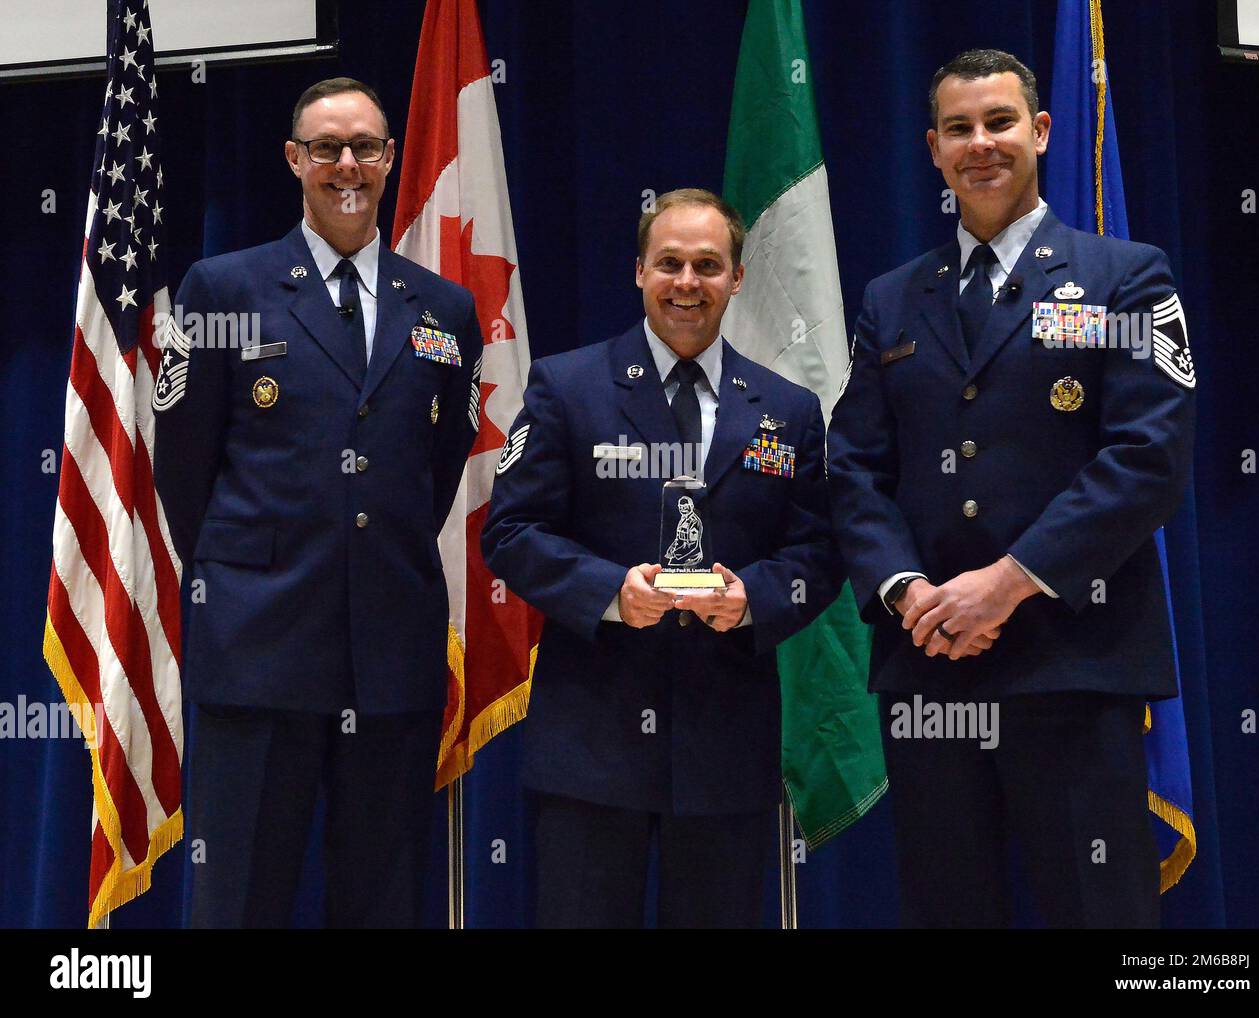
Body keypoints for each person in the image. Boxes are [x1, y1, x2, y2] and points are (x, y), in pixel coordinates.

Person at [826, 49, 1195, 928]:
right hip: (931, 668)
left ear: (1041, 132)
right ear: (932, 147)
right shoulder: (890, 298)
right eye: (959, 129)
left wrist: (1008, 582)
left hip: (1074, 660)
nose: (979, 144)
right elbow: (853, 469)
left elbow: (1149, 457)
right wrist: (907, 591)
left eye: (998, 123)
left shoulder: (1126, 277)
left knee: (1099, 913)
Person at [153, 77, 483, 927]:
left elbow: (432, 474)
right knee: (240, 903)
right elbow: (185, 472)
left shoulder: (444, 309)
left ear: (390, 159)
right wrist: (256, 574)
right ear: (295, 159)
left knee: (381, 905)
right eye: (328, 148)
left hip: (389, 660)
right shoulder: (222, 290)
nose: (348, 165)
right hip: (260, 651)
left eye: (366, 147)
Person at [481, 188, 839, 928]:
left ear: (736, 278)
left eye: (707, 265)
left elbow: (818, 552)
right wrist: (610, 591)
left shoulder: (787, 409)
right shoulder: (567, 387)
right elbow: (511, 531)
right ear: (638, 271)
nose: (687, 282)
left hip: (725, 746)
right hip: (593, 743)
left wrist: (753, 599)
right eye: (669, 262)